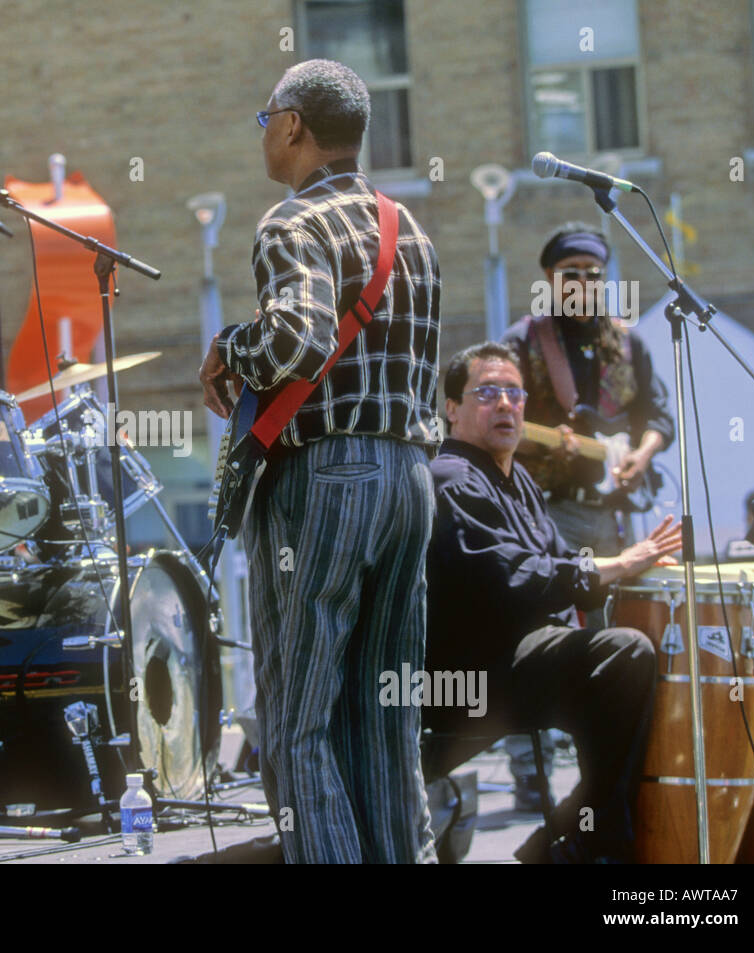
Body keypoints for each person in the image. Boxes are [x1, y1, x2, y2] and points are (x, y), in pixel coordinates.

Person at [199, 59, 440, 863]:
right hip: (410, 481)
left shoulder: (290, 223)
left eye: (266, 116)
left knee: (299, 725)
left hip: (327, 482)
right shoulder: (413, 233)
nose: (263, 131)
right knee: (383, 722)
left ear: (294, 125)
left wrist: (231, 347)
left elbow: (298, 337)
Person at [422, 342, 682, 863]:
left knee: (621, 668)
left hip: (517, 660)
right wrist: (618, 564)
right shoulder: (450, 476)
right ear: (452, 408)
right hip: (467, 677)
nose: (506, 405)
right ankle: (585, 841)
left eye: (514, 394)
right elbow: (512, 578)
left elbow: (562, 560)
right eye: (487, 393)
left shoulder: (518, 479)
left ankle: (576, 839)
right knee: (623, 655)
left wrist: (638, 565)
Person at [499, 222, 674, 806]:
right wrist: (548, 444)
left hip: (615, 514)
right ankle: (531, 766)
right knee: (539, 630)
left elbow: (659, 417)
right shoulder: (523, 343)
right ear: (549, 280)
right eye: (570, 274)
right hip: (546, 509)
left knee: (611, 636)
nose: (582, 284)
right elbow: (496, 424)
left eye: (593, 274)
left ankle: (604, 764)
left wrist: (639, 456)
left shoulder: (629, 342)